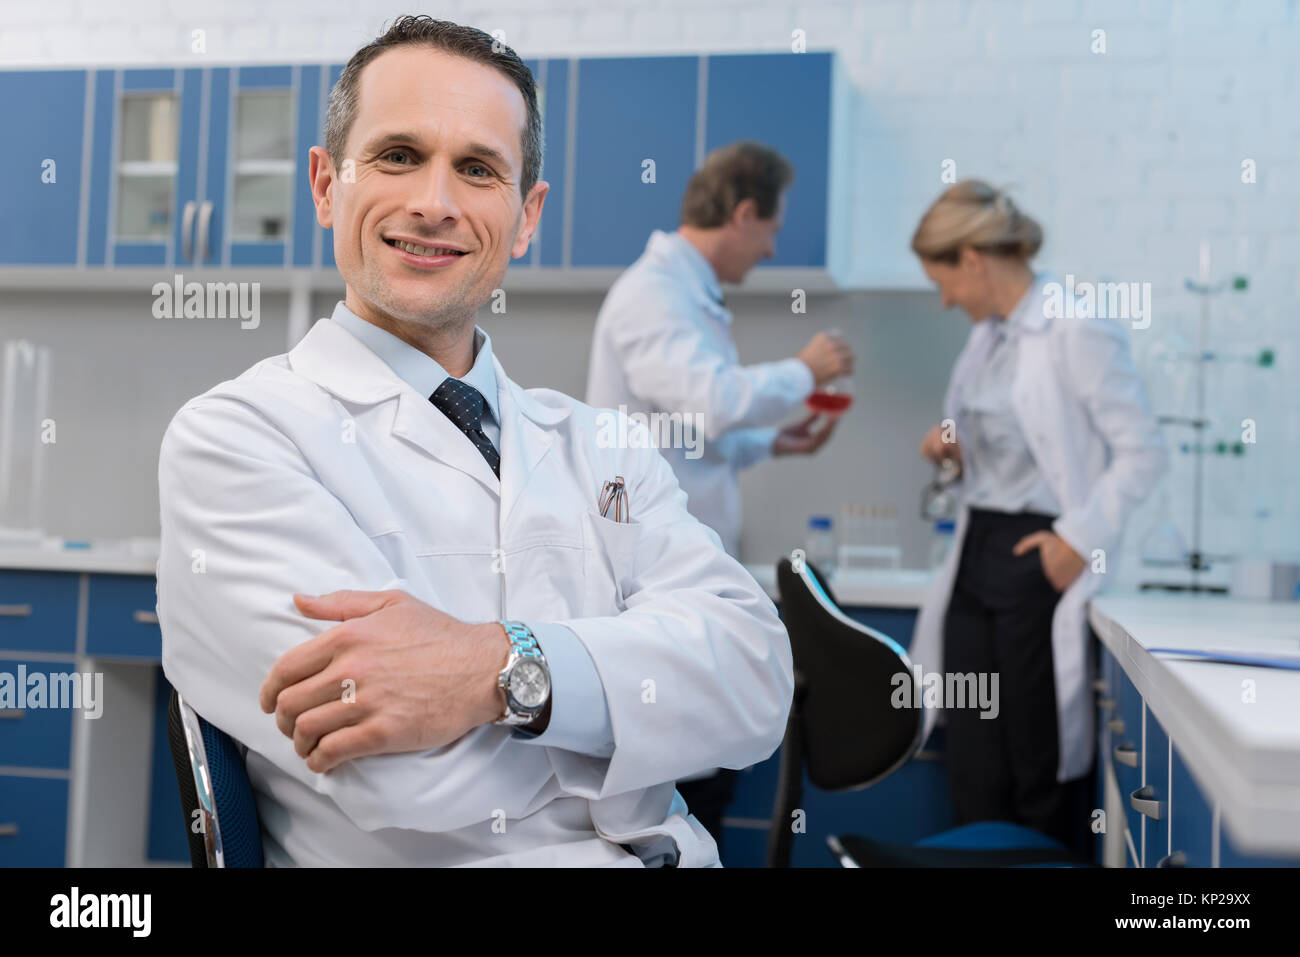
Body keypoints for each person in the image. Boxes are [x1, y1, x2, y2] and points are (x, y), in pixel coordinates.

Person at [156, 16, 793, 868]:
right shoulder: (238, 439)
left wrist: (494, 666)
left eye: (478, 168)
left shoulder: (602, 444)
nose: (434, 201)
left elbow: (755, 683)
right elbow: (400, 779)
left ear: (526, 216)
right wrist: (637, 719)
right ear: (323, 185)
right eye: (396, 156)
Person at [585, 140, 853, 854]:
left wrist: (773, 443)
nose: (769, 250)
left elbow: (688, 432)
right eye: (770, 230)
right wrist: (805, 368)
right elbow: (708, 401)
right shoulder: (654, 293)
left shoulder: (687, 293)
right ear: (742, 213)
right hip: (648, 580)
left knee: (700, 773)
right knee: (675, 780)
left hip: (682, 571)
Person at [906, 180, 1168, 855]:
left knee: (1036, 768)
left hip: (1036, 562)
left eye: (943, 281)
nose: (943, 301)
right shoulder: (986, 342)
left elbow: (1143, 451)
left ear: (972, 257)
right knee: (973, 763)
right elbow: (1008, 449)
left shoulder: (1075, 328)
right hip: (974, 560)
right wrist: (954, 452)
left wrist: (1074, 542)